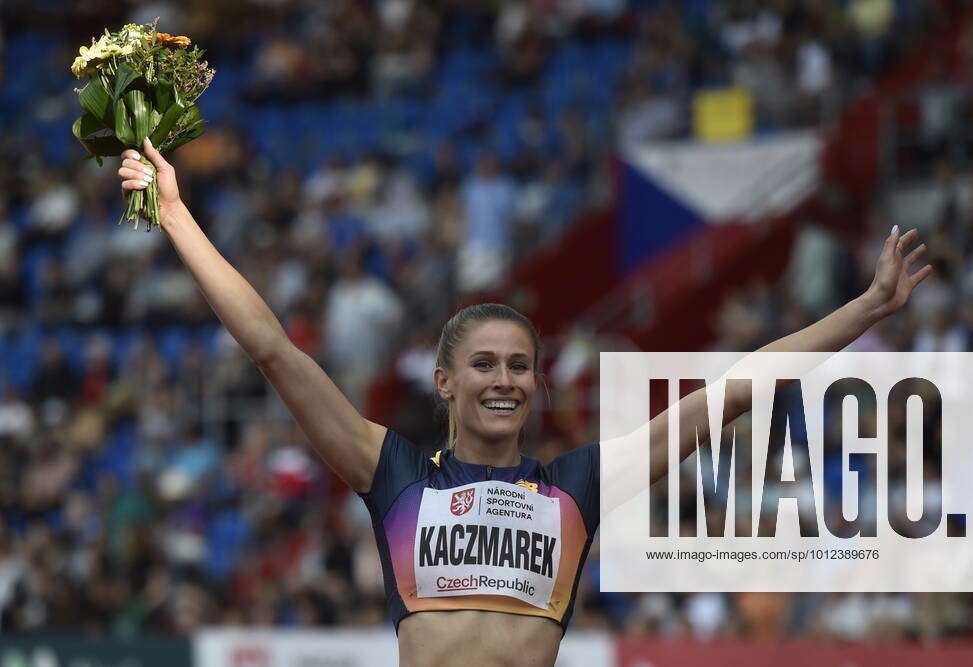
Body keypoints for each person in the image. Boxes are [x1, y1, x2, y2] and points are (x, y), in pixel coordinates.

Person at [117, 139, 931, 666]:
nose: (505, 379)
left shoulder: (574, 486)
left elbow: (731, 394)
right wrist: (180, 215)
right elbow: (272, 348)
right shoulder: (393, 471)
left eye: (521, 365)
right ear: (445, 382)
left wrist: (861, 311)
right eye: (484, 364)